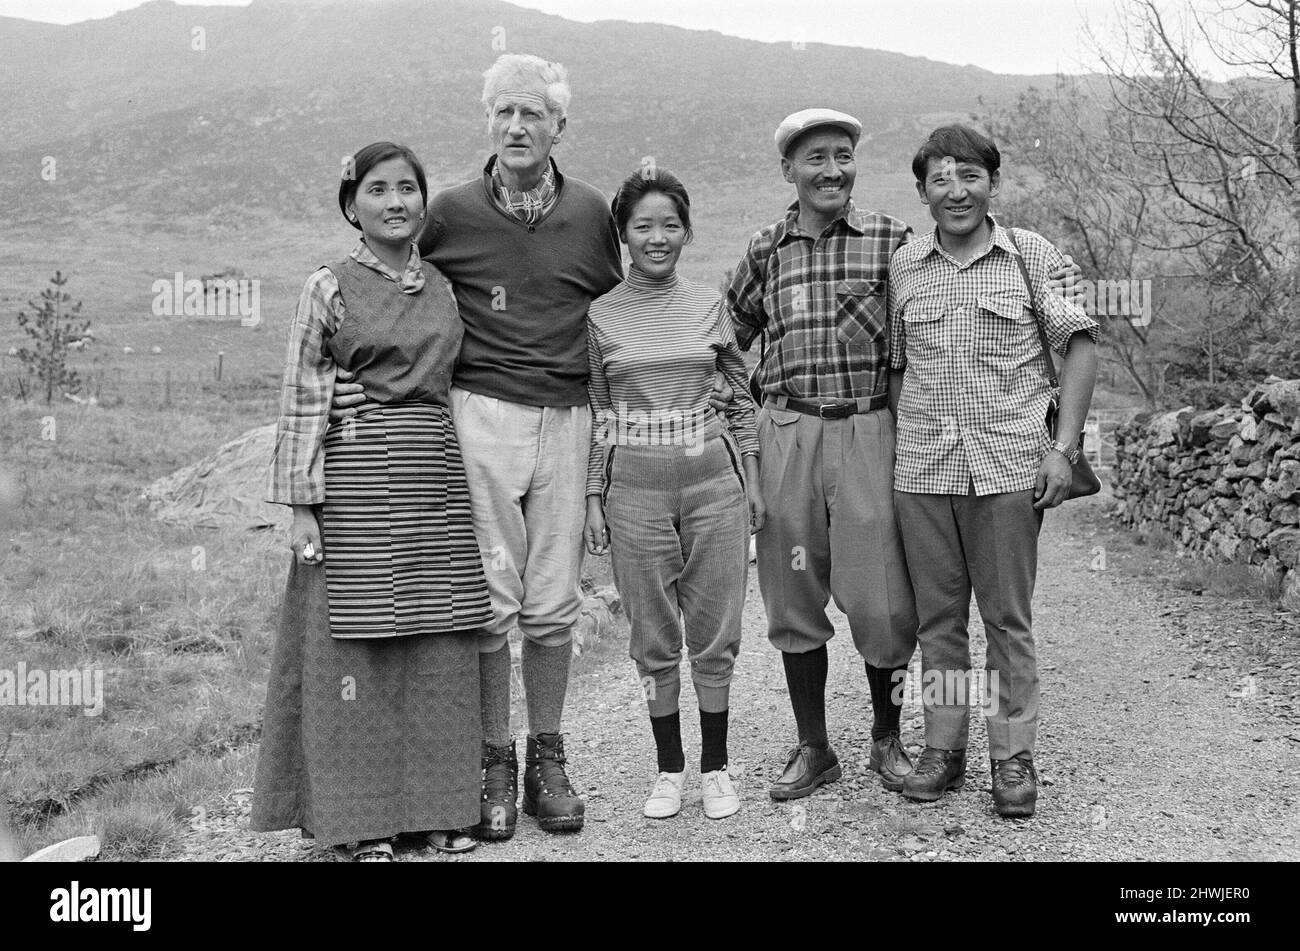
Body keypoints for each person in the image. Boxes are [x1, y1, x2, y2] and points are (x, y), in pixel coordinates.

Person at [330, 55, 624, 838]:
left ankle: (548, 761)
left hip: (567, 419)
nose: (518, 127)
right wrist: (356, 374)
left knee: (554, 601)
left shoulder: (594, 213)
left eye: (533, 113)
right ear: (488, 122)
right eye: (505, 113)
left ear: (560, 126)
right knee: (492, 602)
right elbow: (384, 277)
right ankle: (494, 757)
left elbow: (611, 319)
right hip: (480, 416)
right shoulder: (449, 211)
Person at [252, 141, 493, 861]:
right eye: (379, 190)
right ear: (352, 205)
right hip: (354, 480)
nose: (396, 202)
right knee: (356, 651)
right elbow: (302, 397)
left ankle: (441, 812)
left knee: (441, 643)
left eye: (409, 189)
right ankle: (361, 822)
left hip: (436, 480)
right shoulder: (326, 286)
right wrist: (301, 506)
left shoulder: (446, 288)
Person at [888, 124, 1098, 818]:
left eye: (970, 175)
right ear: (922, 192)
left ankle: (1011, 756)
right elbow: (898, 371)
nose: (956, 190)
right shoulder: (904, 266)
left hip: (1008, 466)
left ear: (993, 183)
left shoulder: (1032, 255)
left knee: (1007, 618)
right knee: (938, 621)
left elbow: (1080, 348)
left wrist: (1061, 449)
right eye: (940, 179)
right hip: (923, 470)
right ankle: (943, 750)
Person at [725, 109, 921, 801]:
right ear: (789, 170)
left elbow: (927, 339)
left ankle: (887, 739)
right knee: (791, 588)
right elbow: (725, 340)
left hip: (869, 431)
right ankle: (815, 747)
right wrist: (745, 416)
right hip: (787, 434)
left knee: (885, 598)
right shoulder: (763, 251)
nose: (832, 169)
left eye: (843, 155)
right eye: (816, 158)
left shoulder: (892, 242)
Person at [583, 169, 764, 821]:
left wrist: (753, 476)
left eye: (670, 225)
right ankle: (668, 769)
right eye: (643, 226)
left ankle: (715, 767)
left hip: (713, 477)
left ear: (686, 231)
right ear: (623, 235)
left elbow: (741, 394)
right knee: (653, 636)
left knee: (715, 631)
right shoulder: (600, 314)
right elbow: (600, 409)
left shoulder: (710, 304)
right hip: (635, 483)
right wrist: (594, 497)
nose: (658, 237)